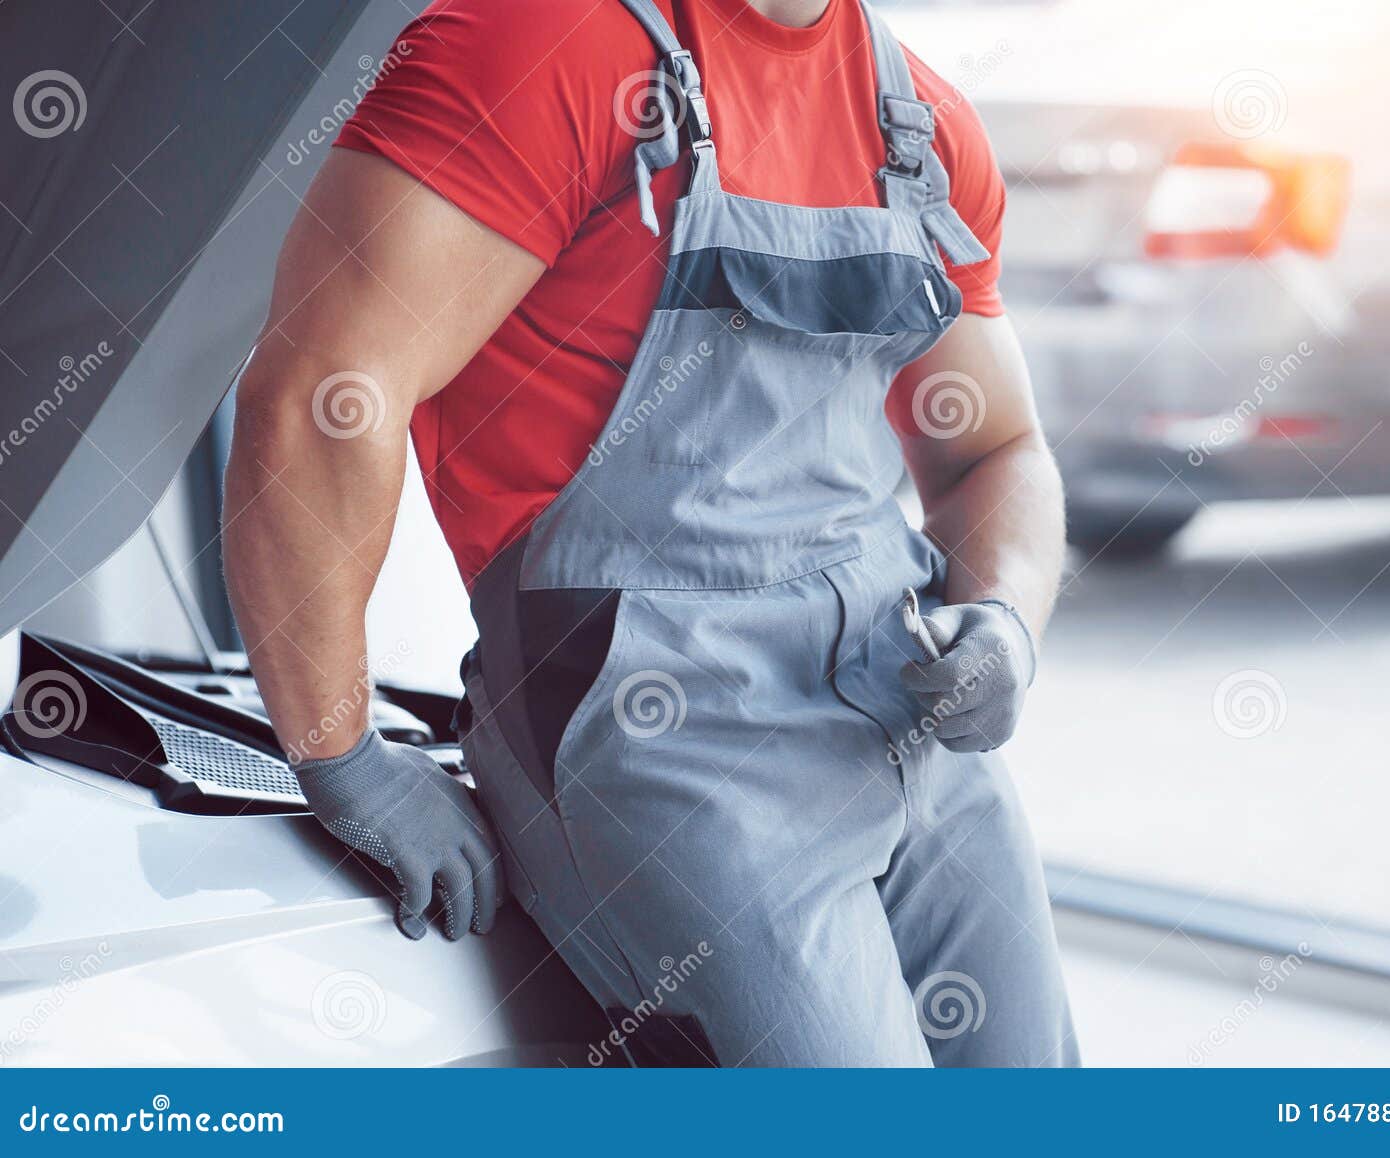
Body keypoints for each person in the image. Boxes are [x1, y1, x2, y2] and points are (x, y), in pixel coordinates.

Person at [223, 0, 1075, 1066]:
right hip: (661, 742)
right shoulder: (542, 42)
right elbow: (321, 398)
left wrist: (1003, 616)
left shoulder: (922, 125)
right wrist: (339, 754)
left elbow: (994, 449)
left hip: (909, 723)